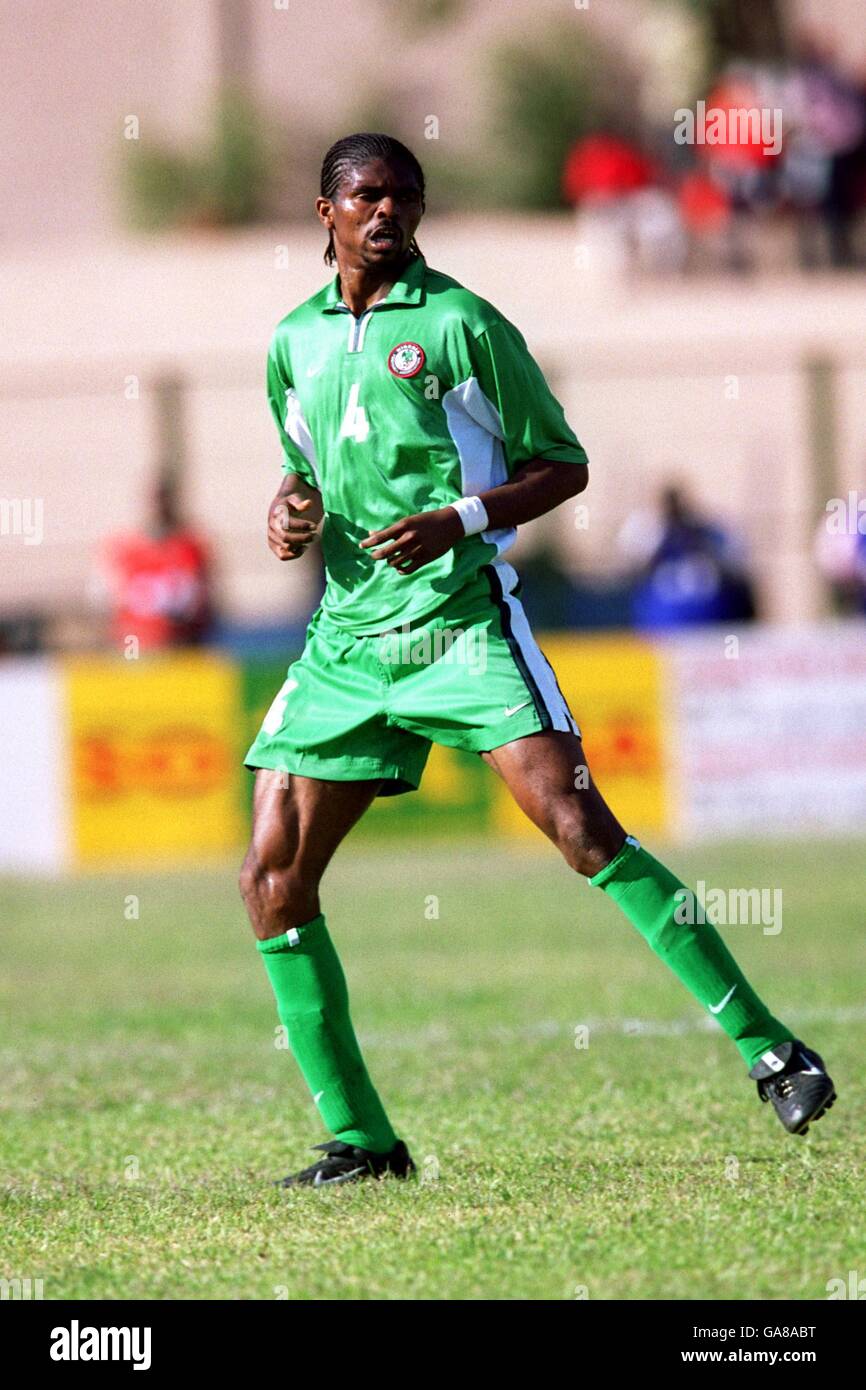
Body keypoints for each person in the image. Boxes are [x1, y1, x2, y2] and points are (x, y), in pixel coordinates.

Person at [240, 133, 835, 1188]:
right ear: (323, 209)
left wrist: (458, 516)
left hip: (462, 622)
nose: (387, 212)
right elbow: (303, 472)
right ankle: (364, 1143)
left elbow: (561, 464)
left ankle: (769, 1047)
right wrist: (289, 512)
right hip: (345, 639)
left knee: (578, 826)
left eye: (405, 196)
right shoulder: (291, 341)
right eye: (366, 195)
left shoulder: (462, 323)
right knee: (272, 879)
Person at [96, 475, 213, 650]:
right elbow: (106, 603)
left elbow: (202, 601)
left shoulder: (191, 547)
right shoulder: (124, 550)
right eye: (157, 500)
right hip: (136, 649)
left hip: (178, 647)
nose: (160, 507)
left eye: (165, 500)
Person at [618, 485, 757, 630]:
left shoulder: (708, 533)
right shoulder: (650, 533)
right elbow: (634, 569)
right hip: (662, 619)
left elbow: (734, 563)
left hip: (709, 618)